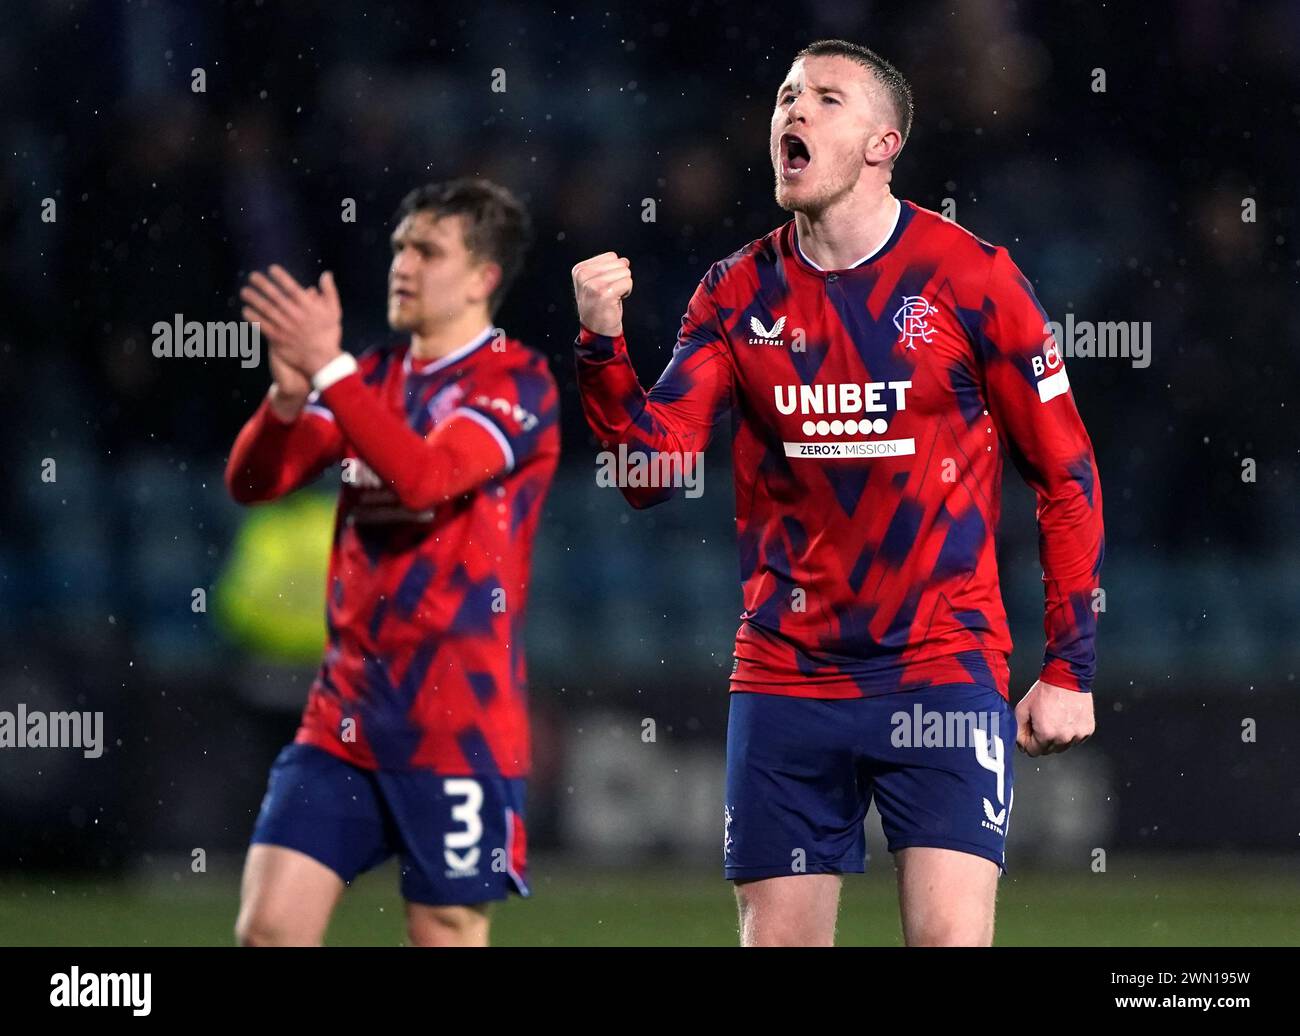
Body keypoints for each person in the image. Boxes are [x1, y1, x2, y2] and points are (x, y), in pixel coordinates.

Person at [570, 39, 1103, 946]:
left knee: (945, 941)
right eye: (784, 96)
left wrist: (1069, 667)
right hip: (787, 672)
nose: (793, 112)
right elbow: (652, 476)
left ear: (882, 143)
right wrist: (600, 347)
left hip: (941, 662)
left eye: (824, 97)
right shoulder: (734, 293)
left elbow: (1066, 473)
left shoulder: (973, 277)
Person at [227, 178, 559, 946]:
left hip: (459, 725)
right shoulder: (372, 378)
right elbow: (253, 483)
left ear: (482, 277)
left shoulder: (517, 381)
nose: (402, 265)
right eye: (400, 247)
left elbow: (425, 478)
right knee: (269, 930)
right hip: (342, 717)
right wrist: (283, 403)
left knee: (443, 932)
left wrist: (329, 371)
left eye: (427, 250)